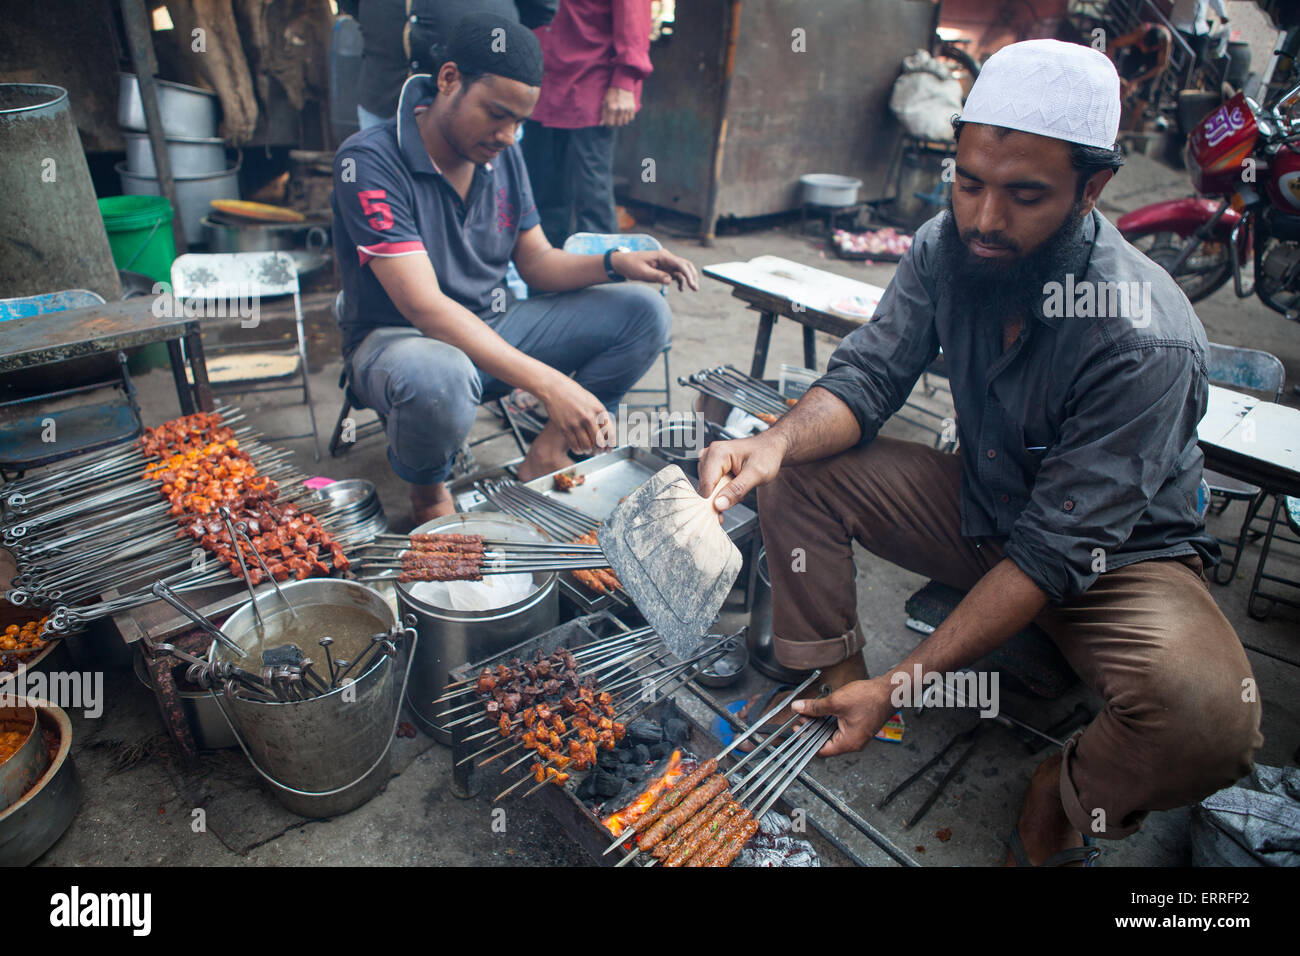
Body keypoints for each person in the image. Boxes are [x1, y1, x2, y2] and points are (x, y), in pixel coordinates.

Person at [697, 39, 1262, 866]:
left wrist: (911, 674)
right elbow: (867, 378)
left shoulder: (1144, 337)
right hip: (989, 507)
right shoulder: (945, 245)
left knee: (1211, 722)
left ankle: (1063, 796)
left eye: (1025, 195)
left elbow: (1051, 555)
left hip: (1122, 561)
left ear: (1092, 188)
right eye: (969, 183)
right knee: (799, 469)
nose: (985, 220)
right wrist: (773, 441)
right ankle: (842, 690)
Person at [332, 12, 698, 523]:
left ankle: (546, 455)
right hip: (400, 344)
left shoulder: (499, 155)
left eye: (520, 121)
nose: (508, 135)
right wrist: (551, 385)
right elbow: (425, 307)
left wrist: (616, 263)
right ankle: (430, 497)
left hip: (491, 328)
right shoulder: (370, 160)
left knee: (643, 310)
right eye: (496, 114)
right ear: (449, 79)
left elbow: (538, 263)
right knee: (442, 373)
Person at [521, 0, 653, 248]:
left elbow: (634, 14)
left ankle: (604, 276)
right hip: (541, 81)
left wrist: (625, 81)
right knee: (541, 193)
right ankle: (548, 279)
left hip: (590, 82)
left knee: (592, 195)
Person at [338, 0, 558, 129]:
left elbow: (539, 9)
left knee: (482, 201)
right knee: (382, 193)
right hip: (386, 92)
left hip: (480, 105)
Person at [1107, 23, 1172, 129]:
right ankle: (1110, 118)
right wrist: (1111, 70)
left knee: (1146, 94)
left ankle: (1130, 129)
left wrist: (1137, 80)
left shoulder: (1165, 41)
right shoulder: (1139, 33)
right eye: (1143, 47)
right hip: (1135, 55)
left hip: (1154, 62)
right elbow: (1113, 44)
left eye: (1146, 48)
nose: (1144, 50)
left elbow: (1161, 66)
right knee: (1122, 84)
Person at [1171, 0, 1230, 71]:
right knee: (1178, 57)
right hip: (1180, 24)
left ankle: (1184, 76)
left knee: (1201, 59)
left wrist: (1222, 15)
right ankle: (1174, 76)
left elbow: (1216, 1)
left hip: (1199, 27)